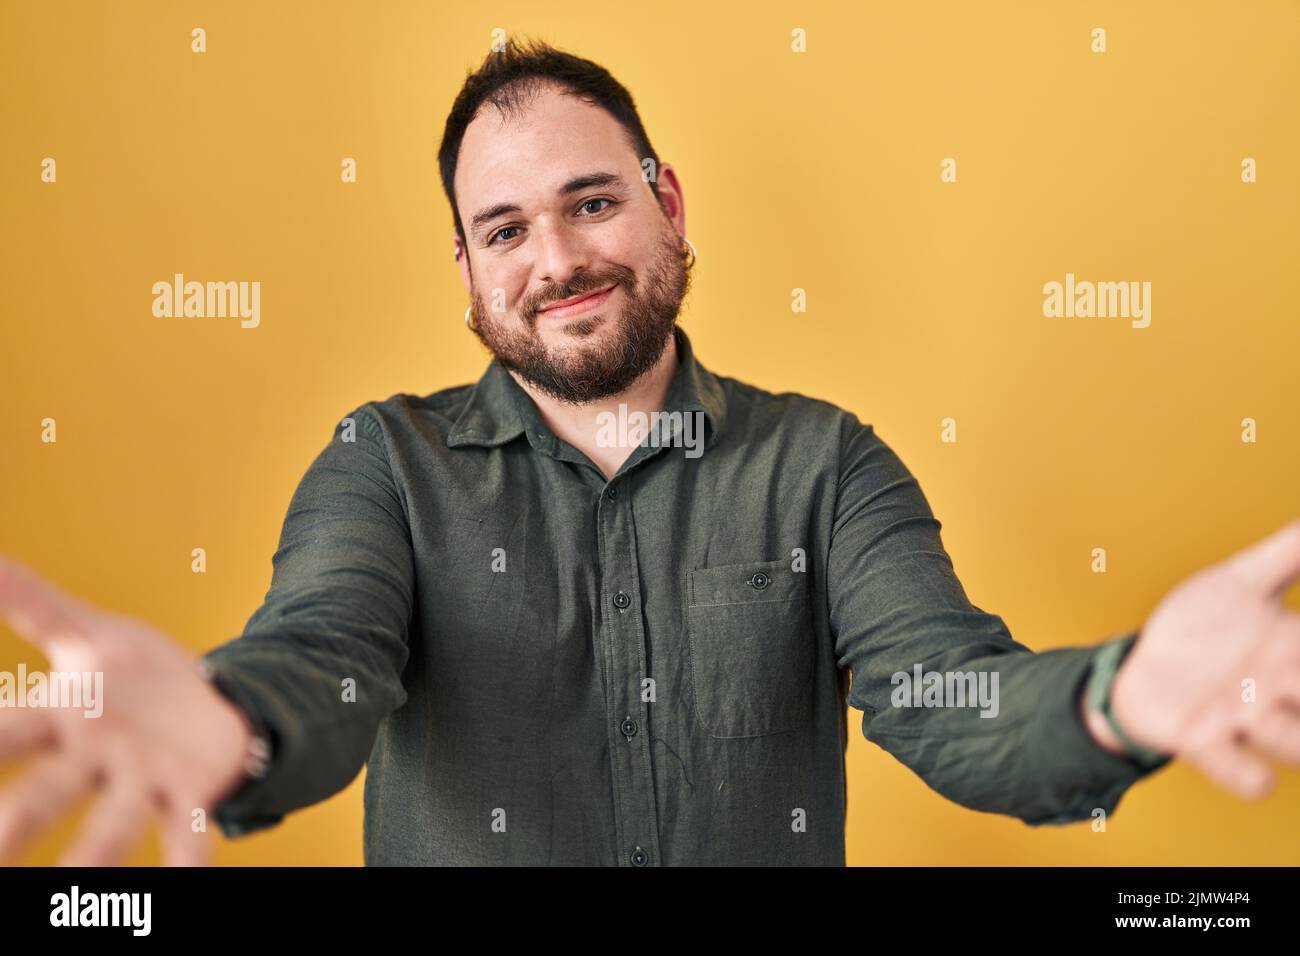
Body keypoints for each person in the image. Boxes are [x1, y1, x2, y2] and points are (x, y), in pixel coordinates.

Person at [1, 37, 1298, 867]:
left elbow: (946, 697)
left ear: (666, 201)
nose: (555, 260)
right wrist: (227, 715)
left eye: (592, 203)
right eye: (503, 229)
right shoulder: (383, 466)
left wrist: (1116, 698)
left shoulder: (827, 465)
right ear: (465, 265)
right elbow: (324, 655)